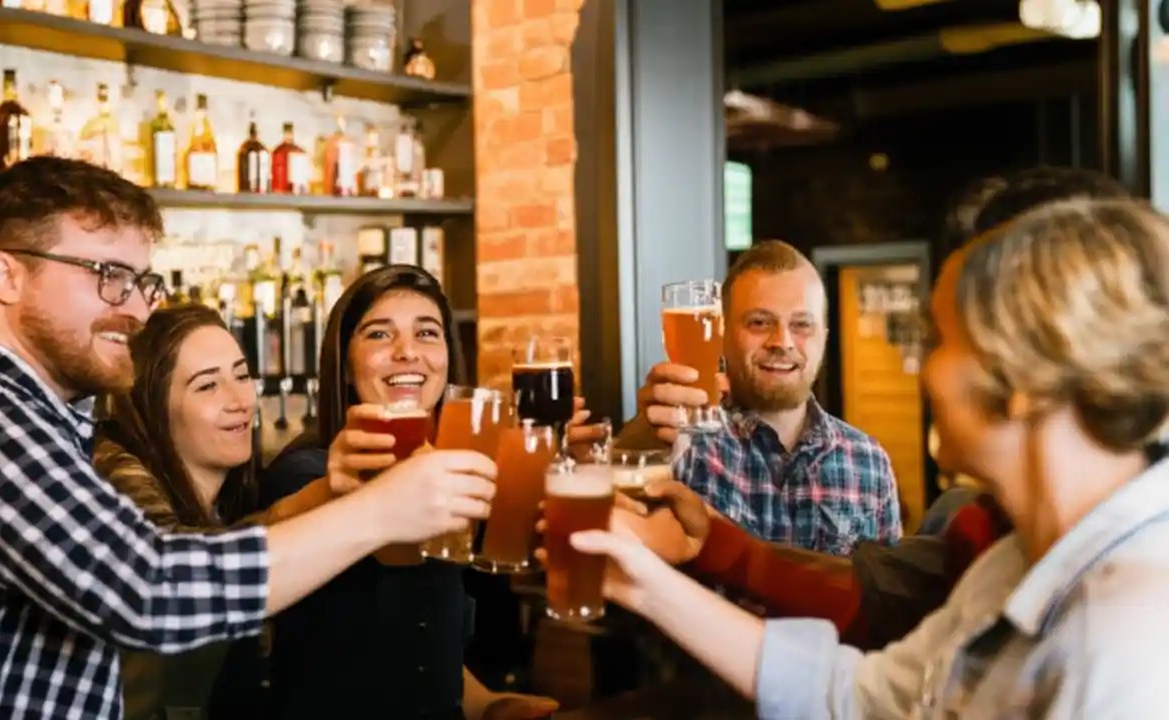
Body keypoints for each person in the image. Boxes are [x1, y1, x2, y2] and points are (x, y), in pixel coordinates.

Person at [0, 158, 498, 719]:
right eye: (107, 276)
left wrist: (327, 500)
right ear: (6, 275)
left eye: (140, 282)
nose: (134, 308)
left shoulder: (38, 420)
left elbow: (166, 560)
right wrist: (381, 510)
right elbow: (147, 588)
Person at [573, 197, 1169, 716]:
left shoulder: (1129, 631)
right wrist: (648, 580)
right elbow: (860, 698)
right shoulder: (1009, 565)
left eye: (936, 341)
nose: (921, 372)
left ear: (1023, 379)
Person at [262, 265, 563, 720]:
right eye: (379, 335)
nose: (407, 352)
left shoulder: (446, 476)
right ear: (344, 364)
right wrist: (329, 493)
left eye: (427, 333)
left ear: (447, 356)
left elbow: (416, 643)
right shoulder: (307, 474)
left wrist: (489, 705)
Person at [94, 303, 319, 719]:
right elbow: (175, 566)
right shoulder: (117, 480)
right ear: (154, 407)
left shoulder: (230, 503)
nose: (239, 400)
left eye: (242, 375)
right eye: (207, 386)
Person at [620, 240, 901, 555]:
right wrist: (641, 437)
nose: (782, 341)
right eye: (759, 322)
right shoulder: (680, 444)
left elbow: (886, 599)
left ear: (823, 338)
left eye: (801, 325)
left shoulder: (869, 462)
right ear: (721, 333)